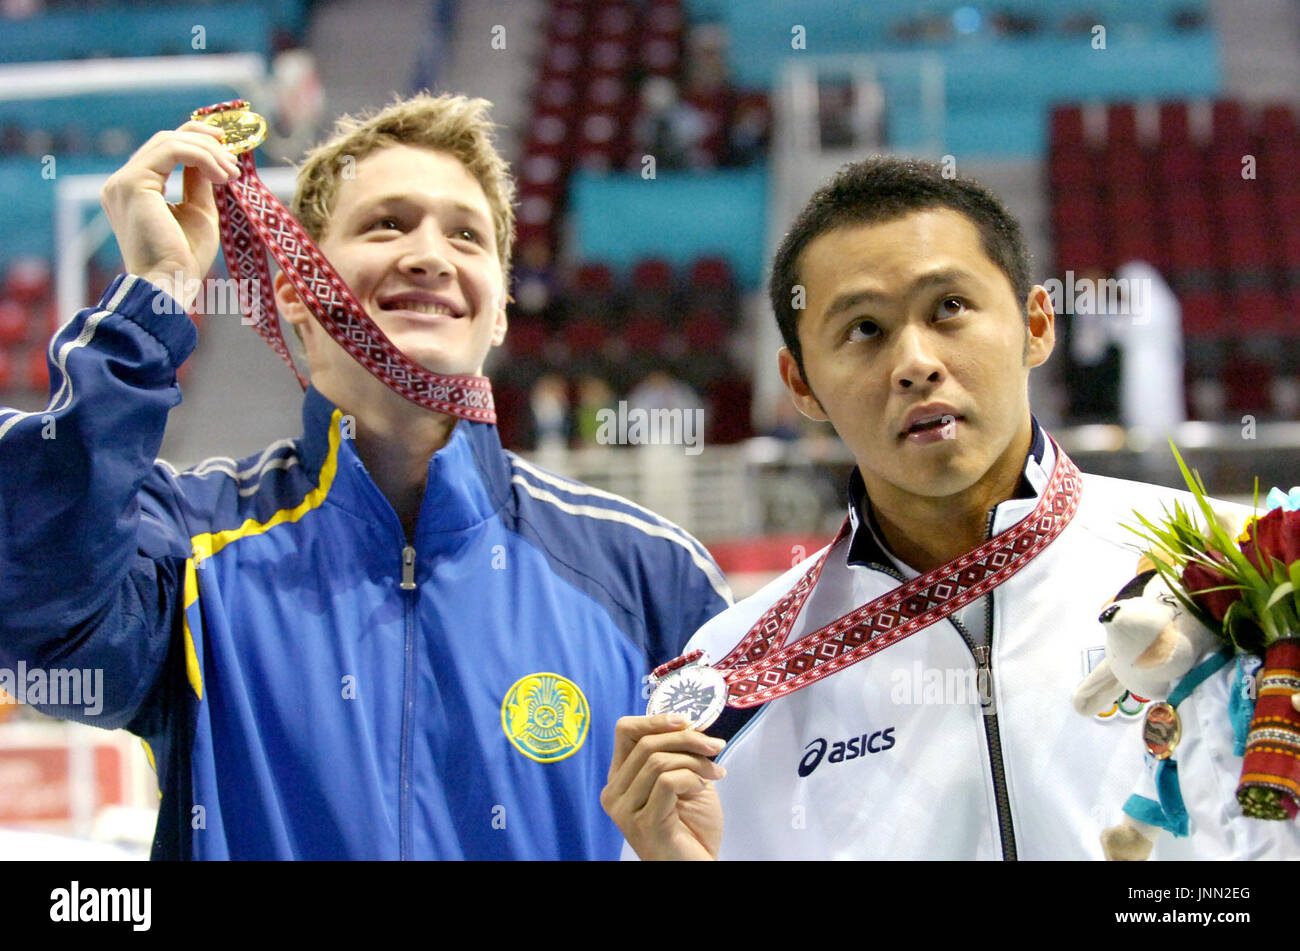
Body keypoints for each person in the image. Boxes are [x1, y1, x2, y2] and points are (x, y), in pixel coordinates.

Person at [0, 92, 731, 859]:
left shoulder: (648, 574)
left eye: (466, 235)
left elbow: (764, 824)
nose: (429, 255)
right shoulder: (188, 545)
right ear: (294, 290)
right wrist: (154, 294)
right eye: (387, 223)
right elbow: (36, 625)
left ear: (502, 309)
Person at [602, 156, 1295, 860]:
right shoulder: (728, 682)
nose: (915, 361)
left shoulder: (1239, 574)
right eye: (864, 329)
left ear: (1035, 323)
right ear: (800, 383)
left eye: (950, 308)